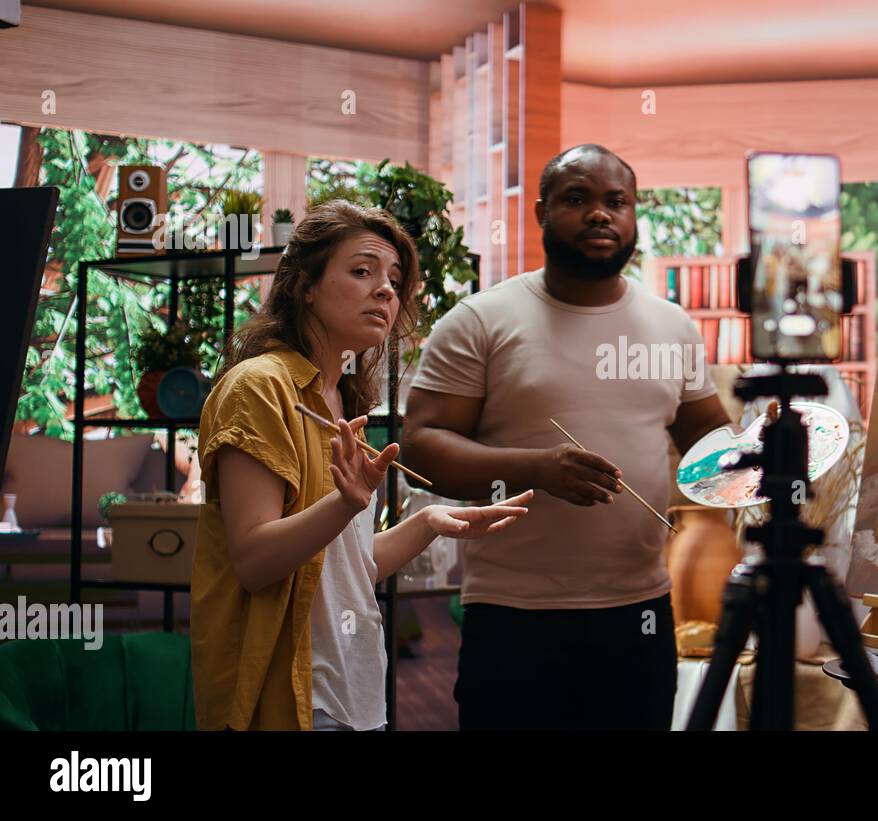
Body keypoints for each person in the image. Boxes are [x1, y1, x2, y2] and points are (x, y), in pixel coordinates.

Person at [403, 145, 733, 730]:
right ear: (541, 212)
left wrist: (765, 444)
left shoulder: (671, 325)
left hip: (640, 610)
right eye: (577, 199)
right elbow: (424, 447)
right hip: (514, 612)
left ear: (634, 215)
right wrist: (535, 468)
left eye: (616, 202)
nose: (599, 215)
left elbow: (707, 436)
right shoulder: (482, 320)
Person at [192, 200, 530, 731]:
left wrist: (426, 526)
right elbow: (254, 559)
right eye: (361, 271)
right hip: (296, 695)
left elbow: (343, 566)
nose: (386, 290)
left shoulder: (341, 400)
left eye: (395, 279)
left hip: (357, 693)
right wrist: (347, 501)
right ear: (305, 285)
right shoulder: (260, 386)